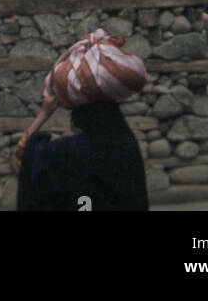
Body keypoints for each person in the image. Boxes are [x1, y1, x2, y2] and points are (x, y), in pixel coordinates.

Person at [15, 36, 148, 211]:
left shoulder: (69, 152)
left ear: (81, 118)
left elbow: (24, 156)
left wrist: (45, 113)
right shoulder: (128, 146)